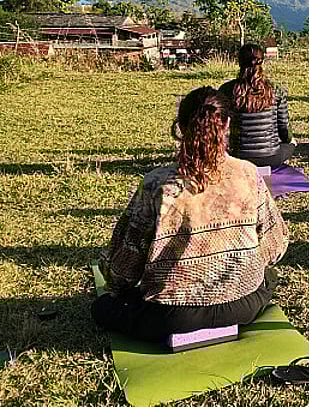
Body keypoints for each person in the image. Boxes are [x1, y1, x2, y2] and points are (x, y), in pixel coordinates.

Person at [93, 87, 289, 341]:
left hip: (174, 315)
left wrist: (117, 288)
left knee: (103, 308)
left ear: (181, 127)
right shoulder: (248, 174)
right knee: (268, 278)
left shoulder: (157, 184)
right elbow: (275, 245)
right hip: (242, 306)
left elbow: (124, 267)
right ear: (227, 124)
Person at [217, 43, 296, 167]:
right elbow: (284, 128)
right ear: (262, 61)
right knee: (291, 145)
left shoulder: (227, 90)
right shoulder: (276, 90)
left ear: (239, 62)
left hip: (239, 157)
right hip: (271, 157)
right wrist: (290, 141)